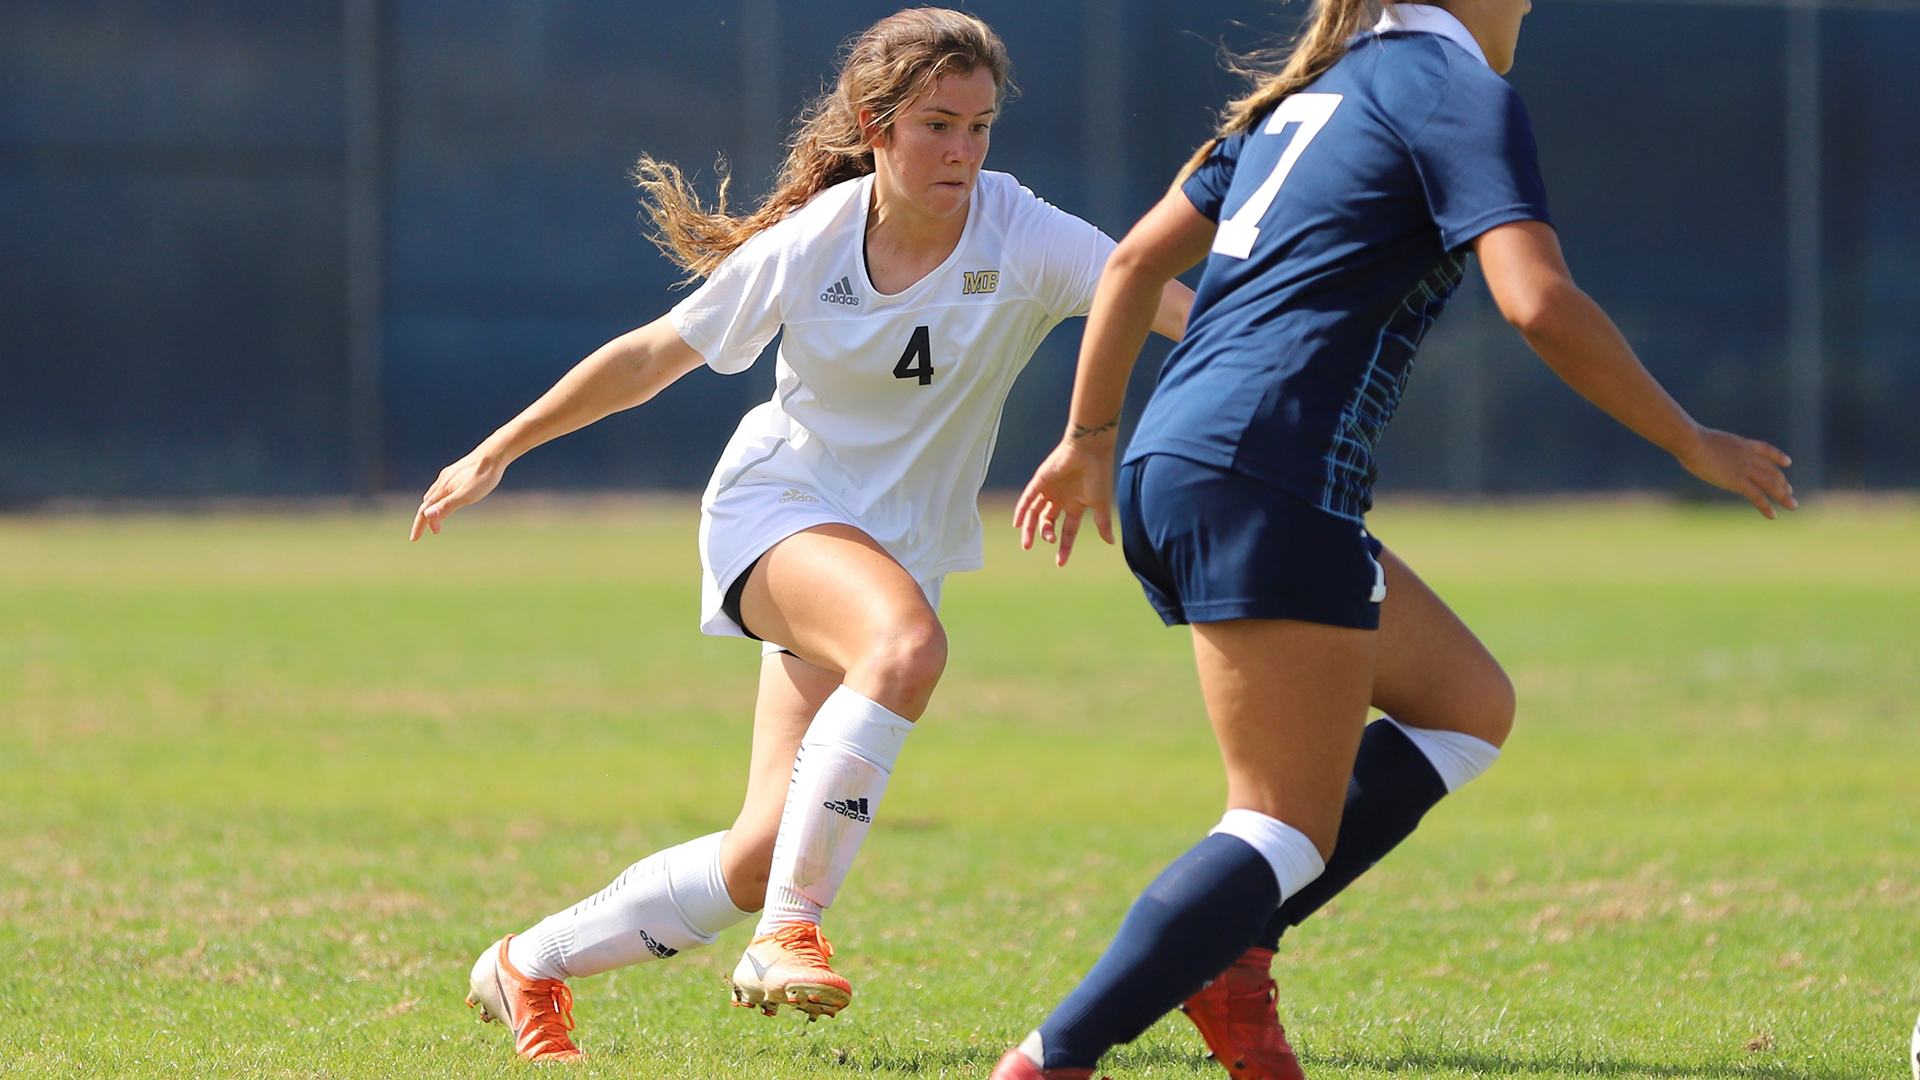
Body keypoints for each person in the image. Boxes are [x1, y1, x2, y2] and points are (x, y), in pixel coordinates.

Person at [996, 1, 1795, 1077]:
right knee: (1279, 828)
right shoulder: (1454, 89)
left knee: (1467, 708)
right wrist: (1692, 441)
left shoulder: (1302, 94)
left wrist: (1089, 438)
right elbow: (1539, 302)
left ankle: (1232, 958)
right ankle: (1055, 1057)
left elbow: (1136, 260)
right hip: (1263, 469)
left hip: (1184, 457)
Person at [409, 7, 1191, 1063]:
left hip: (892, 554)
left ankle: (528, 963)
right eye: (934, 125)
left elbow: (1165, 302)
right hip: (777, 512)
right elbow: (651, 355)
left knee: (760, 849)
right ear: (876, 126)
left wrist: (1302, 330)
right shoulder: (815, 243)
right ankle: (790, 931)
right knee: (906, 648)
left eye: (978, 127)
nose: (961, 150)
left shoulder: (1022, 232)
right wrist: (498, 447)